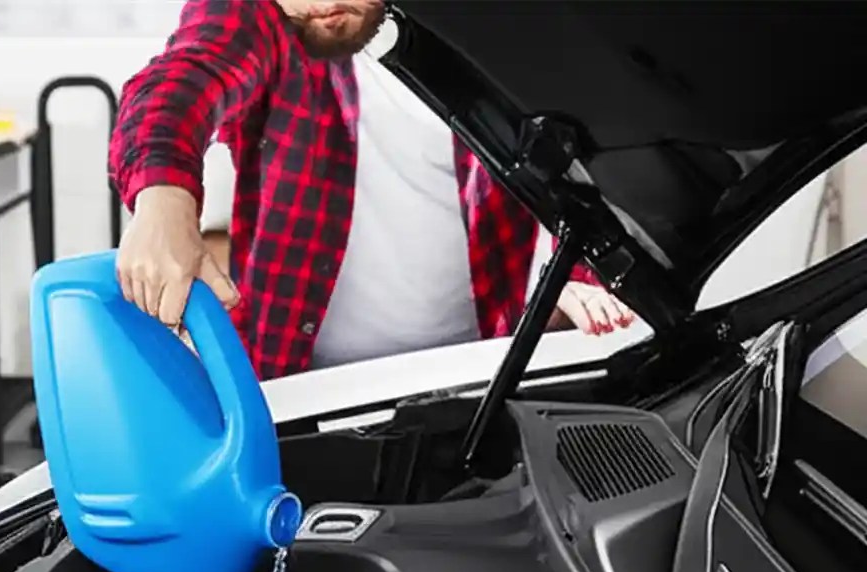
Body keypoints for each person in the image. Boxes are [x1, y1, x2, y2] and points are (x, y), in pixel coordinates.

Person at [108, 0, 634, 380]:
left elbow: (593, 147)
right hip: (300, 387)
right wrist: (162, 199)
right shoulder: (258, 15)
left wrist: (574, 276)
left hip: (477, 375)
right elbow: (180, 82)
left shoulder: (495, 29)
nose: (322, 3)